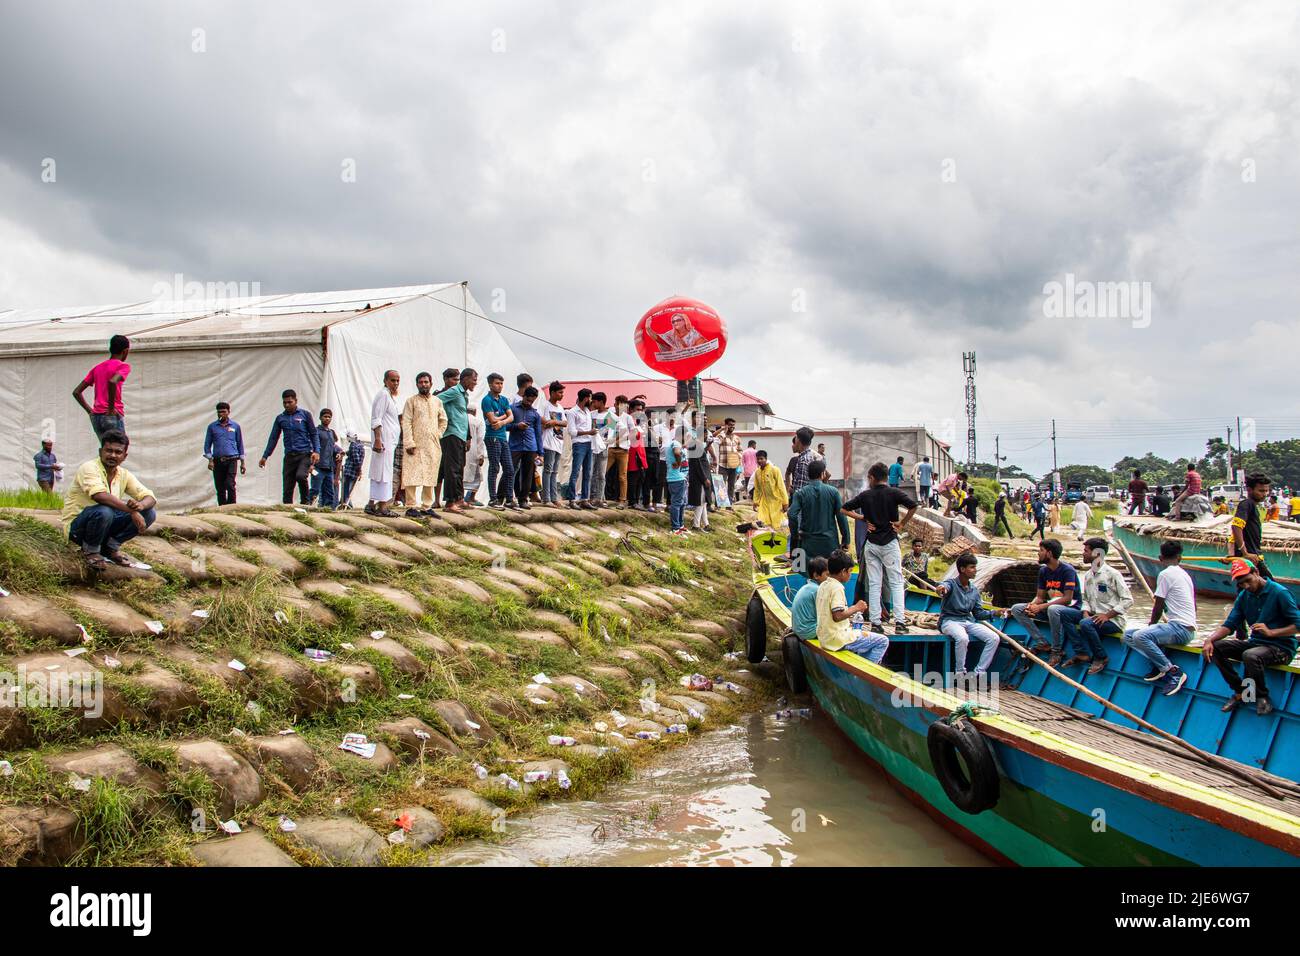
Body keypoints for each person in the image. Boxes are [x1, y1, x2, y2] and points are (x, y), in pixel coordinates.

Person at [1203, 558, 1300, 716]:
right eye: (1241, 584)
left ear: (1256, 573)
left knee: (1251, 655)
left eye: (1248, 581)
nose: (1246, 586)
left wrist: (1272, 632)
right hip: (1257, 644)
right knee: (1217, 648)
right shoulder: (1244, 595)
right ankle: (1241, 691)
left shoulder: (1280, 593)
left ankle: (1262, 697)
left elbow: (1298, 624)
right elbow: (1230, 624)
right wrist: (1210, 640)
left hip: (1281, 648)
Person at [62, 430, 156, 571]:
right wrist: (131, 511)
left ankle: (109, 548)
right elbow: (99, 496)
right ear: (100, 452)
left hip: (103, 526)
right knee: (104, 510)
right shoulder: (89, 468)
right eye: (109, 451)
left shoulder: (124, 474)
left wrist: (140, 506)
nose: (113, 455)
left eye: (118, 452)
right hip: (78, 529)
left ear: (125, 456)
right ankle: (91, 551)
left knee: (149, 513)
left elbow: (150, 497)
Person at [842, 461, 916, 635]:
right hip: (890, 542)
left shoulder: (865, 495)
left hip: (871, 543)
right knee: (896, 582)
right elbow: (913, 506)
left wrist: (862, 518)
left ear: (872, 478)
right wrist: (901, 523)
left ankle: (875, 622)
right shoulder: (894, 493)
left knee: (875, 583)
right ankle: (899, 622)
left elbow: (844, 509)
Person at [1122, 540, 1196, 694]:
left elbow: (1158, 606)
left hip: (1180, 628)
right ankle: (1160, 664)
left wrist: (1152, 625)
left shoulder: (1165, 574)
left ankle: (1173, 672)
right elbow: (1194, 606)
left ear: (1160, 558)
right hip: (1184, 627)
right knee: (1128, 635)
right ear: (1180, 558)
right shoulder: (1185, 575)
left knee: (1140, 637)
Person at [1008, 538, 1082, 668]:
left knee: (1053, 609)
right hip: (1050, 607)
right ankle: (1042, 643)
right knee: (1017, 609)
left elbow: (1068, 599)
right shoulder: (1043, 571)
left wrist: (1041, 607)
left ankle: (1056, 651)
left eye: (1041, 550)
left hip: (1070, 609)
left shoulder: (1067, 570)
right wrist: (1032, 606)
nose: (1038, 553)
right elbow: (1040, 596)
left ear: (1049, 553)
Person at [936, 552, 1006, 678]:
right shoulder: (951, 583)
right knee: (963, 638)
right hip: (949, 621)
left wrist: (994, 613)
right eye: (972, 567)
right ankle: (960, 673)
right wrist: (941, 589)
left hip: (967, 621)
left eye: (975, 567)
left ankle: (978, 673)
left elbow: (978, 614)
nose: (975, 570)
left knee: (994, 638)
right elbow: (944, 587)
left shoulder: (974, 590)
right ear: (962, 569)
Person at [1069, 538, 1132, 675]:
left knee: (1086, 624)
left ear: (1097, 554)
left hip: (1113, 621)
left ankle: (1100, 657)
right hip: (1092, 617)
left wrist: (1107, 615)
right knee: (1061, 613)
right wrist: (1085, 611)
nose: (1083, 554)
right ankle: (1080, 651)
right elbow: (1085, 599)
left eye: (1086, 551)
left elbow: (1128, 600)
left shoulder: (1112, 574)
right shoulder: (1088, 575)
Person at [817, 550, 888, 662]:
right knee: (882, 641)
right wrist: (856, 608)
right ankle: (865, 673)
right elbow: (837, 616)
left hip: (825, 638)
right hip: (837, 639)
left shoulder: (823, 585)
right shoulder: (837, 588)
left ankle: (860, 664)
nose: (850, 575)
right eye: (850, 571)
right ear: (843, 572)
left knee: (861, 635)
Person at [399, 372, 448, 518]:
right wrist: (409, 442)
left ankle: (427, 506)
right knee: (412, 474)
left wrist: (437, 434)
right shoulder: (411, 401)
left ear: (431, 384)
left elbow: (443, 420)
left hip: (432, 444)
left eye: (426, 382)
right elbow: (406, 422)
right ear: (417, 384)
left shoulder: (437, 401)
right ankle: (411, 506)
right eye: (420, 382)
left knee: (430, 474)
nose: (424, 384)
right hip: (415, 444)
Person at [259, 389, 319, 505]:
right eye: (284, 403)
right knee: (287, 487)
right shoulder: (280, 418)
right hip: (289, 456)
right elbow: (273, 438)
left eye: (289, 402)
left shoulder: (305, 415)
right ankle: (287, 510)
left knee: (301, 476)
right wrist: (265, 456)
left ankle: (306, 503)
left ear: (295, 401)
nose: (287, 405)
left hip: (304, 454)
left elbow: (313, 433)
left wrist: (316, 451)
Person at [787, 459, 849, 567]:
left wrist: (796, 535)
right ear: (822, 474)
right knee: (829, 573)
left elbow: (792, 514)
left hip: (807, 543)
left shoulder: (800, 493)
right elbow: (841, 516)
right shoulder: (833, 491)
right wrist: (845, 539)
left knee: (807, 573)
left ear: (808, 475)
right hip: (830, 543)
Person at [73, 334, 131, 440]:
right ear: (125, 351)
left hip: (97, 416)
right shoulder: (123, 366)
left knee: (106, 450)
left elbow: (77, 392)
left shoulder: (97, 368)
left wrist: (90, 411)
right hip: (111, 415)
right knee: (120, 448)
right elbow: (113, 381)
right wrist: (111, 408)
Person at [437, 368, 476, 513]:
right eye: (474, 379)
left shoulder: (463, 394)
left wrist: (467, 436)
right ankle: (449, 502)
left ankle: (459, 499)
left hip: (460, 434)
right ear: (465, 379)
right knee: (452, 469)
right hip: (451, 433)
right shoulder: (454, 391)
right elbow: (437, 399)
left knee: (459, 468)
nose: (475, 383)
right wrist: (446, 417)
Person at [366, 370, 402, 516]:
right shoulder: (383, 395)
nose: (396, 383)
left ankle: (372, 504)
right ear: (385, 381)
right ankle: (382, 507)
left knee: (380, 472)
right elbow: (377, 419)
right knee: (383, 473)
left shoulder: (390, 397)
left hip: (389, 442)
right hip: (383, 441)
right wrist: (378, 439)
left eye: (398, 381)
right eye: (393, 380)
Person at [481, 372, 516, 510]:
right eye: (497, 383)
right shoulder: (487, 400)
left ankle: (509, 499)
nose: (500, 386)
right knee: (494, 468)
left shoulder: (504, 399)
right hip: (492, 437)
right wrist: (504, 418)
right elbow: (491, 420)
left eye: (501, 383)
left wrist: (501, 422)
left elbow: (511, 417)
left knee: (509, 469)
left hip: (502, 437)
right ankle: (493, 499)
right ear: (490, 385)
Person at [1230, 473, 1273, 580]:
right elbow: (1236, 527)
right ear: (1249, 490)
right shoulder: (1246, 504)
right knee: (1270, 587)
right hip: (1250, 558)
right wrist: (1244, 552)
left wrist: (1232, 554)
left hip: (1252, 557)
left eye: (1266, 491)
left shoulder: (1252, 506)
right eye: (1261, 491)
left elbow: (1234, 534)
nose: (1265, 494)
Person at [509, 386, 544, 510]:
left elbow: (538, 434)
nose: (530, 403)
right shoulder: (512, 409)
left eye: (532, 401)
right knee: (510, 471)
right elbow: (506, 426)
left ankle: (523, 499)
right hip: (515, 445)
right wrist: (517, 426)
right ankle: (506, 497)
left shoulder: (535, 414)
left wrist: (541, 453)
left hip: (531, 447)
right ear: (523, 396)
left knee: (528, 474)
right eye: (528, 400)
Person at [203, 403, 245, 506]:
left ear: (228, 412)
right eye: (219, 412)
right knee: (220, 487)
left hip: (232, 459)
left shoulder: (235, 426)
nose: (221, 414)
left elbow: (240, 444)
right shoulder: (212, 427)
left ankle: (232, 507)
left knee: (230, 484)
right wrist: (210, 460)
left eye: (223, 412)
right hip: (218, 460)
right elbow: (207, 445)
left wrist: (243, 462)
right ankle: (222, 508)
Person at [752, 449, 788, 544]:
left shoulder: (775, 470)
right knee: (764, 522)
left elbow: (781, 486)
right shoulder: (757, 473)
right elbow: (757, 489)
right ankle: (768, 544)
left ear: (766, 459)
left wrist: (785, 502)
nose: (759, 461)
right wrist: (755, 502)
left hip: (776, 502)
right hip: (764, 502)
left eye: (761, 459)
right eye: (758, 459)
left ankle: (780, 544)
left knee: (777, 524)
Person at [792, 556, 830, 640]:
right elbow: (827, 615)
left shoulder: (808, 587)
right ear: (816, 575)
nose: (830, 578)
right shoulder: (817, 590)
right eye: (827, 574)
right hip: (808, 632)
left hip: (800, 630)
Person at [310, 409, 341, 509]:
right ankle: (308, 507)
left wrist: (338, 453)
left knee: (329, 492)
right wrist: (311, 465)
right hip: (317, 466)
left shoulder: (331, 432)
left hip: (329, 467)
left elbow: (332, 446)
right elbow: (312, 447)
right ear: (320, 418)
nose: (327, 418)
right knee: (315, 489)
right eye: (325, 416)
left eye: (329, 417)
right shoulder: (316, 431)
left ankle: (326, 511)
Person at [665, 426, 689, 534]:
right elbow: (677, 452)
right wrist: (679, 463)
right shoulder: (676, 443)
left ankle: (680, 525)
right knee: (676, 503)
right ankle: (675, 527)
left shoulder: (677, 443)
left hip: (681, 478)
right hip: (676, 479)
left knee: (682, 503)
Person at [588, 392, 609, 508]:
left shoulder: (609, 416)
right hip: (592, 447)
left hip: (603, 448)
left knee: (601, 474)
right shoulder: (591, 414)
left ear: (601, 402)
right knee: (591, 473)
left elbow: (619, 432)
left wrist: (609, 443)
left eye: (595, 401)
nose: (593, 403)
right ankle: (591, 497)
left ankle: (600, 498)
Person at [462, 406, 486, 506]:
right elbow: (480, 439)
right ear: (475, 412)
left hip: (461, 450)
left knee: (461, 475)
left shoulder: (461, 419)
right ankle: (471, 498)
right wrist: (481, 455)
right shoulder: (477, 421)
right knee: (477, 476)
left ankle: (460, 498)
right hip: (474, 451)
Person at [718, 419, 742, 505]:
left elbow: (740, 450)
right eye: (730, 425)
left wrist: (737, 458)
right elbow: (718, 442)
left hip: (734, 465)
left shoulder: (737, 438)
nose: (732, 427)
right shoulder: (722, 436)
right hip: (723, 464)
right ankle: (721, 504)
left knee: (731, 486)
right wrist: (724, 431)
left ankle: (730, 504)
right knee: (721, 485)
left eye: (733, 425)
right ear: (726, 425)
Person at [786, 427, 816, 496]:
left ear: (798, 440)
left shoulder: (803, 461)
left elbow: (800, 492)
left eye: (796, 437)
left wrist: (792, 490)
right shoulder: (810, 456)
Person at [340, 431, 366, 508]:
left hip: (350, 471)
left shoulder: (353, 445)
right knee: (348, 488)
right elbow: (353, 453)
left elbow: (356, 458)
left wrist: (359, 470)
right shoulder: (360, 445)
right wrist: (345, 453)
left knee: (347, 489)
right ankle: (345, 503)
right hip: (353, 471)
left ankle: (347, 504)